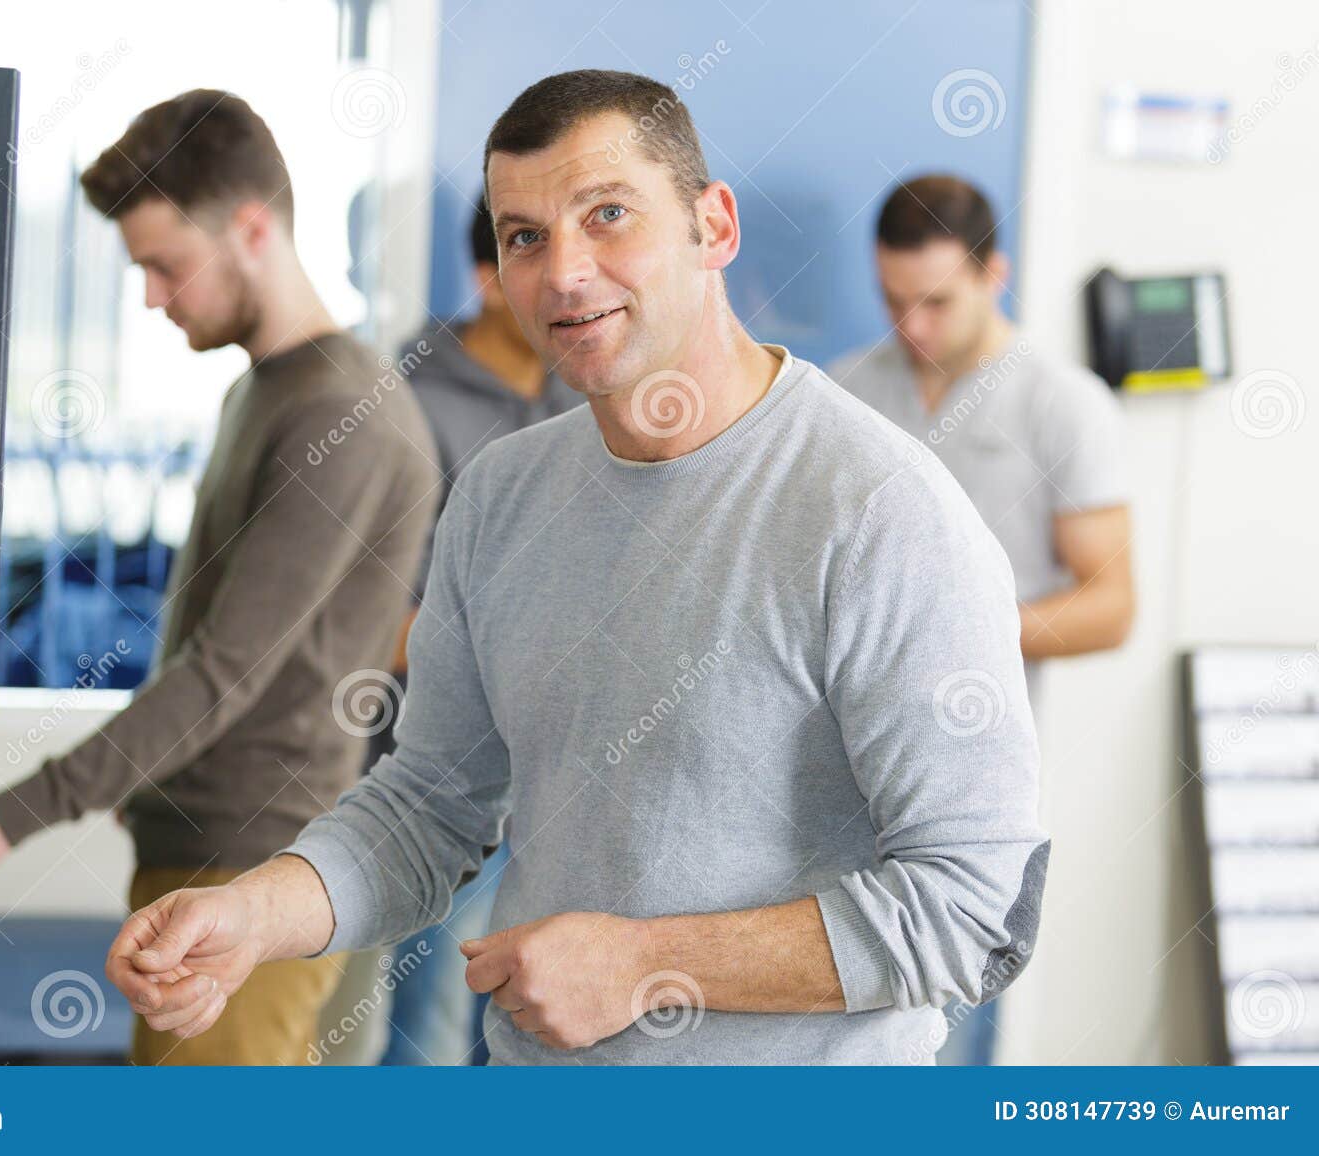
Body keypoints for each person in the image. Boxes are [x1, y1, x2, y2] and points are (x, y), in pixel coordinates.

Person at [104, 69, 1049, 1065]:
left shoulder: (882, 510)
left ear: (713, 227)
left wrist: (646, 965)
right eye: (525, 236)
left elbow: (976, 909)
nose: (564, 272)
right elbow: (427, 806)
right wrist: (257, 910)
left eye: (608, 216)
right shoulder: (498, 495)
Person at [0, 89, 439, 1066]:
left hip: (250, 871)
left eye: (164, 266)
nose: (152, 296)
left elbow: (221, 670)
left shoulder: (337, 413)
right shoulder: (265, 390)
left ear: (252, 228)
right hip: (206, 855)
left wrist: (11, 815)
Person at [831, 175, 1134, 1065]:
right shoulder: (845, 390)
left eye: (936, 302)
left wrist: (957, 630)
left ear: (993, 272)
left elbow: (1112, 606)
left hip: (974, 792)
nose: (913, 327)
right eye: (893, 302)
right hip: (838, 788)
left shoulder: (1062, 404)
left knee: (947, 1042)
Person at [377, 197, 582, 1066]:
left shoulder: (586, 394)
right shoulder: (407, 405)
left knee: (533, 1045)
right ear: (486, 280)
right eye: (528, 252)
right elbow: (376, 619)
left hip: (571, 791)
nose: (567, 285)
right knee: (429, 1031)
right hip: (452, 789)